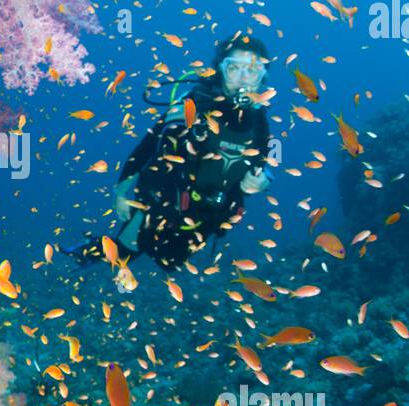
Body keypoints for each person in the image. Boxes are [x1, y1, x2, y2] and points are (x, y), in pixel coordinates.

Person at [66, 32, 273, 273]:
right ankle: (83, 253)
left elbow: (260, 167)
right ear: (220, 70)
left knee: (170, 261)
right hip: (163, 202)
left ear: (263, 77)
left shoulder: (260, 123)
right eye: (233, 68)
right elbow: (146, 147)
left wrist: (262, 182)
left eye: (253, 70)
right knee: (124, 253)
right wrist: (121, 191)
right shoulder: (195, 105)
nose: (242, 78)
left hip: (207, 213)